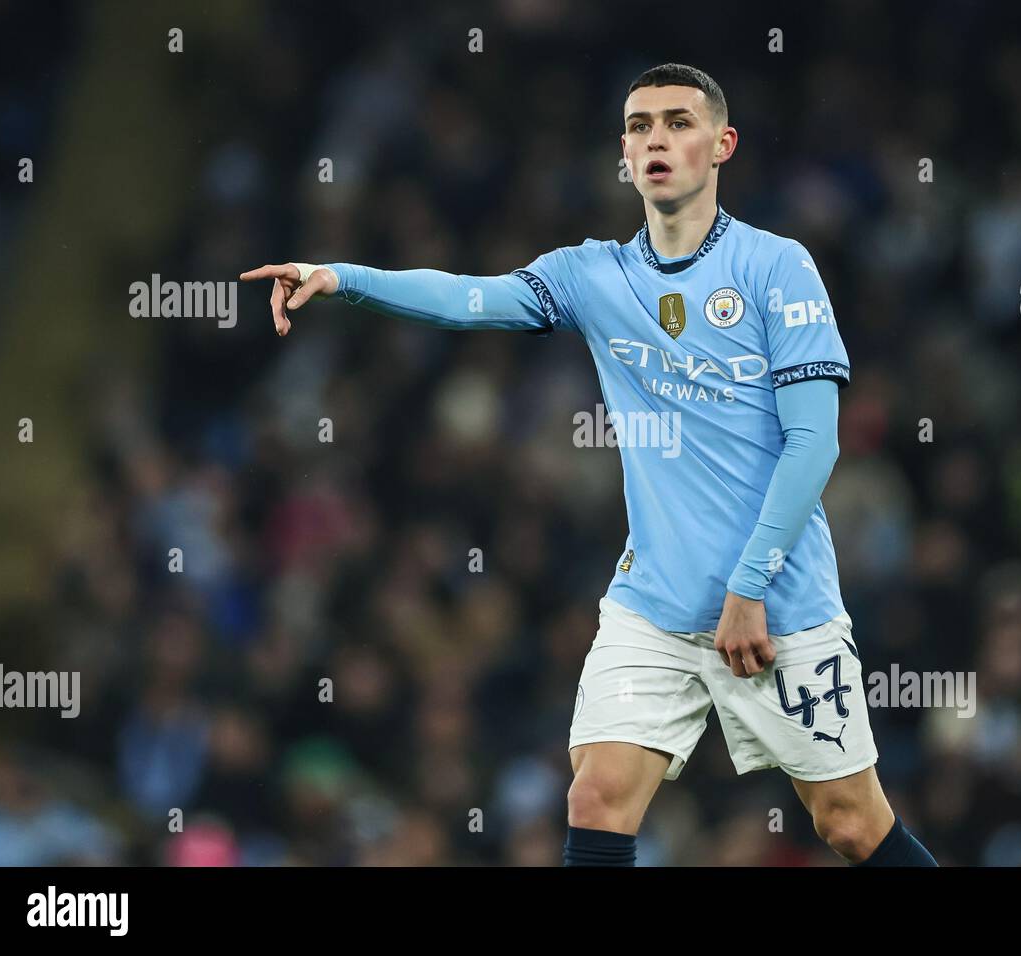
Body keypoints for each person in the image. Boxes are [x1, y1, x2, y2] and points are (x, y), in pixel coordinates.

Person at [241, 62, 936, 868]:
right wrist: (340, 279)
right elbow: (469, 297)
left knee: (849, 824)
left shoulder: (777, 269)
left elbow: (815, 441)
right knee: (596, 795)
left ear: (723, 144)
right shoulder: (591, 275)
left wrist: (749, 587)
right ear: (624, 152)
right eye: (641, 126)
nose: (658, 140)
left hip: (776, 601)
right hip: (653, 605)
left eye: (679, 122)